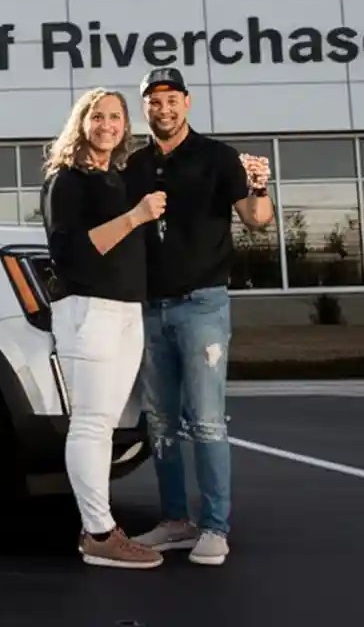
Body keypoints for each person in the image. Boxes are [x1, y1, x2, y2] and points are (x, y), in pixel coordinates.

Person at [123, 67, 274, 566]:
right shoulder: (134, 165)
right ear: (145, 107)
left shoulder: (218, 157)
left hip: (202, 304)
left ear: (187, 103)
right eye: (153, 101)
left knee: (206, 421)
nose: (163, 109)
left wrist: (258, 188)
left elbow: (256, 222)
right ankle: (174, 523)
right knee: (161, 422)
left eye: (171, 100)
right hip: (149, 308)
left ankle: (214, 527)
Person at [40, 87, 167, 569]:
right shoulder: (66, 180)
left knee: (105, 424)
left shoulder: (116, 178)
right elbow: (70, 252)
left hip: (125, 311)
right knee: (91, 424)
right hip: (88, 311)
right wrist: (136, 216)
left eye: (116, 117)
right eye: (98, 116)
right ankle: (98, 534)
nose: (108, 125)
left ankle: (98, 527)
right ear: (82, 122)